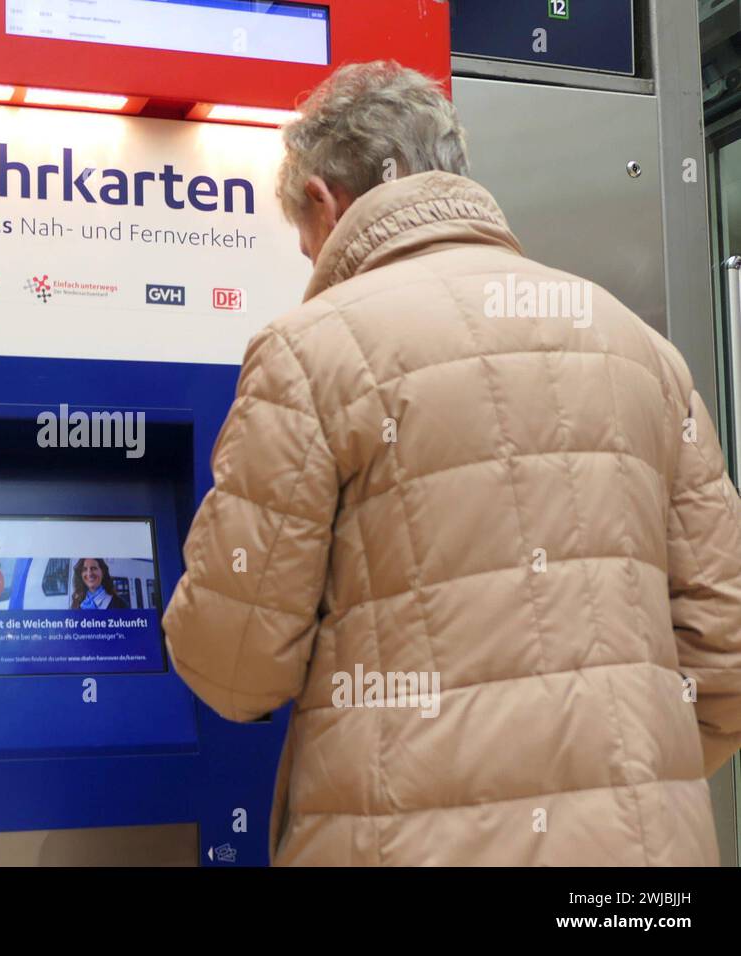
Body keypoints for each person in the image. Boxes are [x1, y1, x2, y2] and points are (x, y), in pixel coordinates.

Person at [162, 61, 741, 866]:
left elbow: (235, 664)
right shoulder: (641, 350)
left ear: (325, 200)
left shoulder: (310, 352)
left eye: (306, 243)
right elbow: (725, 651)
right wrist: (614, 785)